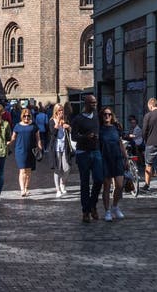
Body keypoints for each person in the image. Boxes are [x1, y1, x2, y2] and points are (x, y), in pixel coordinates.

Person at [71, 94, 103, 223]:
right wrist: (86, 137)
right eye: (92, 103)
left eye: (95, 102)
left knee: (99, 179)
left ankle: (92, 205)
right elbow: (74, 137)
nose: (94, 105)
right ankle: (85, 211)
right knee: (84, 183)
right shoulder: (78, 119)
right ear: (86, 104)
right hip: (83, 153)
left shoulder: (97, 117)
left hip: (96, 152)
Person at [99, 106, 128, 221]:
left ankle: (115, 206)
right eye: (105, 114)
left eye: (109, 114)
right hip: (105, 159)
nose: (107, 116)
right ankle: (107, 211)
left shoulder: (116, 127)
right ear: (102, 116)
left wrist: (126, 158)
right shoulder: (99, 129)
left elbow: (120, 143)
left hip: (117, 158)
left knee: (120, 185)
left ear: (112, 116)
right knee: (106, 186)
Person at [9, 107, 42, 197]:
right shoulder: (17, 126)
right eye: (24, 116)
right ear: (21, 116)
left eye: (28, 116)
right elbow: (13, 138)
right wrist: (8, 143)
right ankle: (22, 189)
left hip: (31, 150)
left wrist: (40, 146)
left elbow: (38, 138)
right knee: (22, 170)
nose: (26, 117)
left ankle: (27, 188)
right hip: (20, 150)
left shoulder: (34, 126)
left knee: (28, 171)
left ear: (30, 116)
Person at [48, 103, 72, 197]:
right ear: (55, 111)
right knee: (57, 168)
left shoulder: (66, 120)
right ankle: (57, 190)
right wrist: (58, 122)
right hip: (56, 147)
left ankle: (62, 183)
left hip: (65, 146)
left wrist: (68, 127)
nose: (61, 112)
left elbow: (71, 131)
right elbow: (53, 133)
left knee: (67, 168)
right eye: (59, 110)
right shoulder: (51, 121)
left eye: (62, 110)